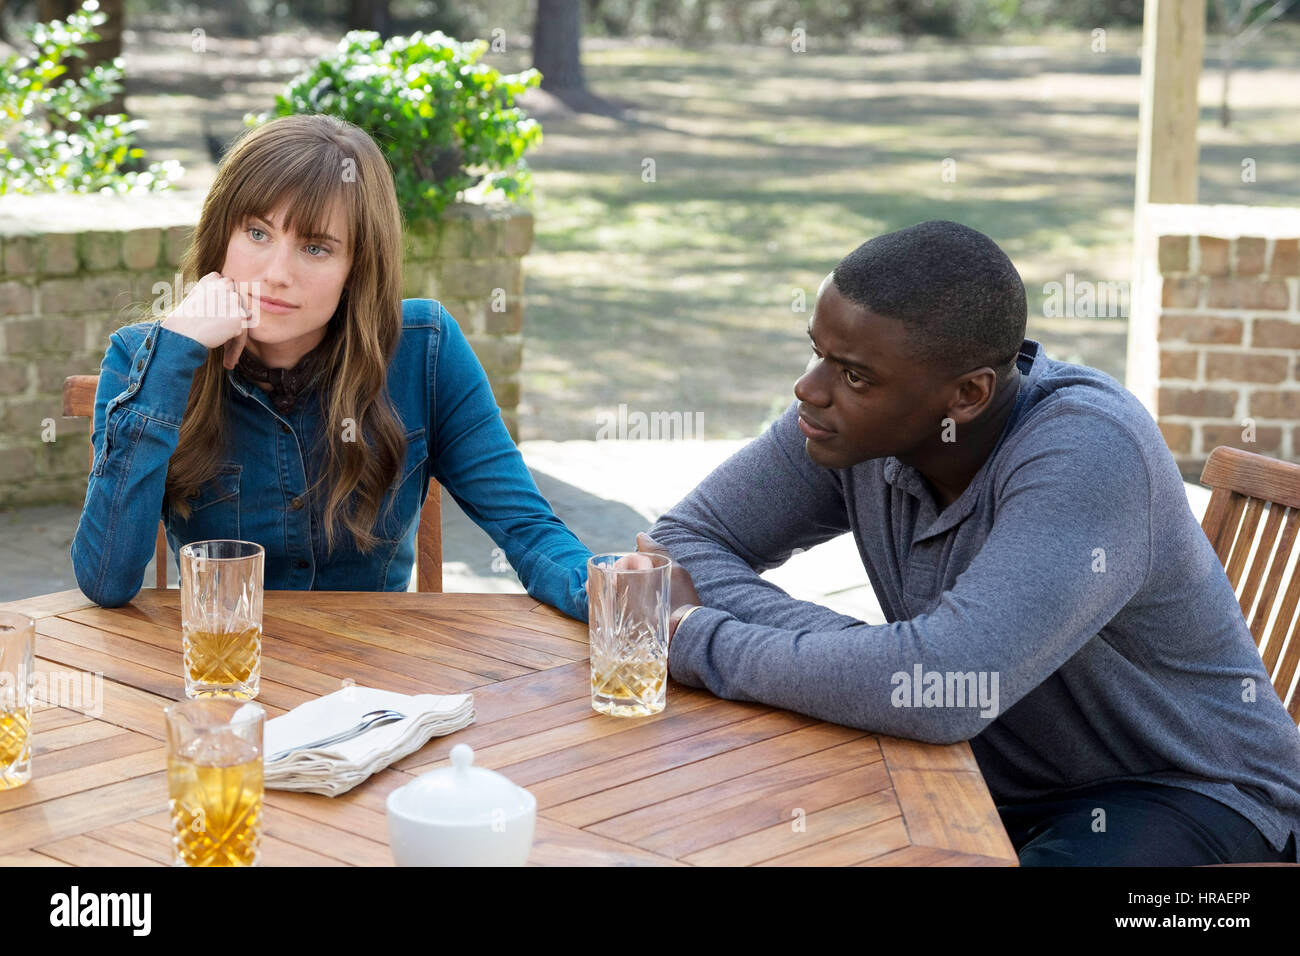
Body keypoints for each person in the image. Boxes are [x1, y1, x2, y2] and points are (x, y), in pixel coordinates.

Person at [639, 220, 1300, 865]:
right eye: (816, 352)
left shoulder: (1089, 452)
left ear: (968, 395)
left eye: (854, 375)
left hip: (1189, 792)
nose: (809, 388)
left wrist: (699, 637)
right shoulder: (850, 422)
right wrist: (873, 658)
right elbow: (683, 542)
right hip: (968, 769)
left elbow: (946, 687)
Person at [71, 113, 591, 621]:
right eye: (257, 233)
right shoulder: (142, 358)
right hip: (223, 665)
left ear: (357, 267)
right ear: (221, 235)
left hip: (371, 668)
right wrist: (172, 356)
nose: (277, 274)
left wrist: (607, 587)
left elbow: (527, 529)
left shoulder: (424, 350)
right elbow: (105, 578)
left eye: (316, 248)